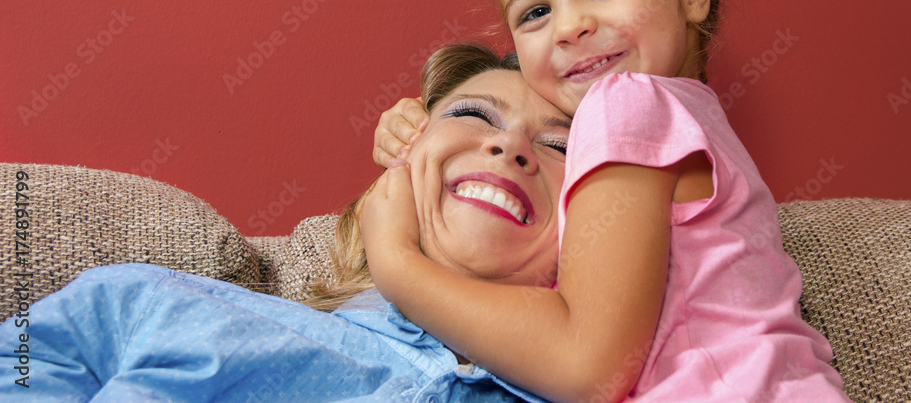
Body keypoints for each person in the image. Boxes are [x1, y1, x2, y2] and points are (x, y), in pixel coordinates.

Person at [363, 0, 851, 402]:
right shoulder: (683, 119)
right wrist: (424, 127)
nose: (570, 26)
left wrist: (398, 266)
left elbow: (587, 366)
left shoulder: (627, 103)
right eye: (535, 12)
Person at [0, 43, 571, 402]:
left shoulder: (602, 382)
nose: (511, 146)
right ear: (403, 152)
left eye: (561, 146)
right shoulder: (146, 303)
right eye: (472, 114)